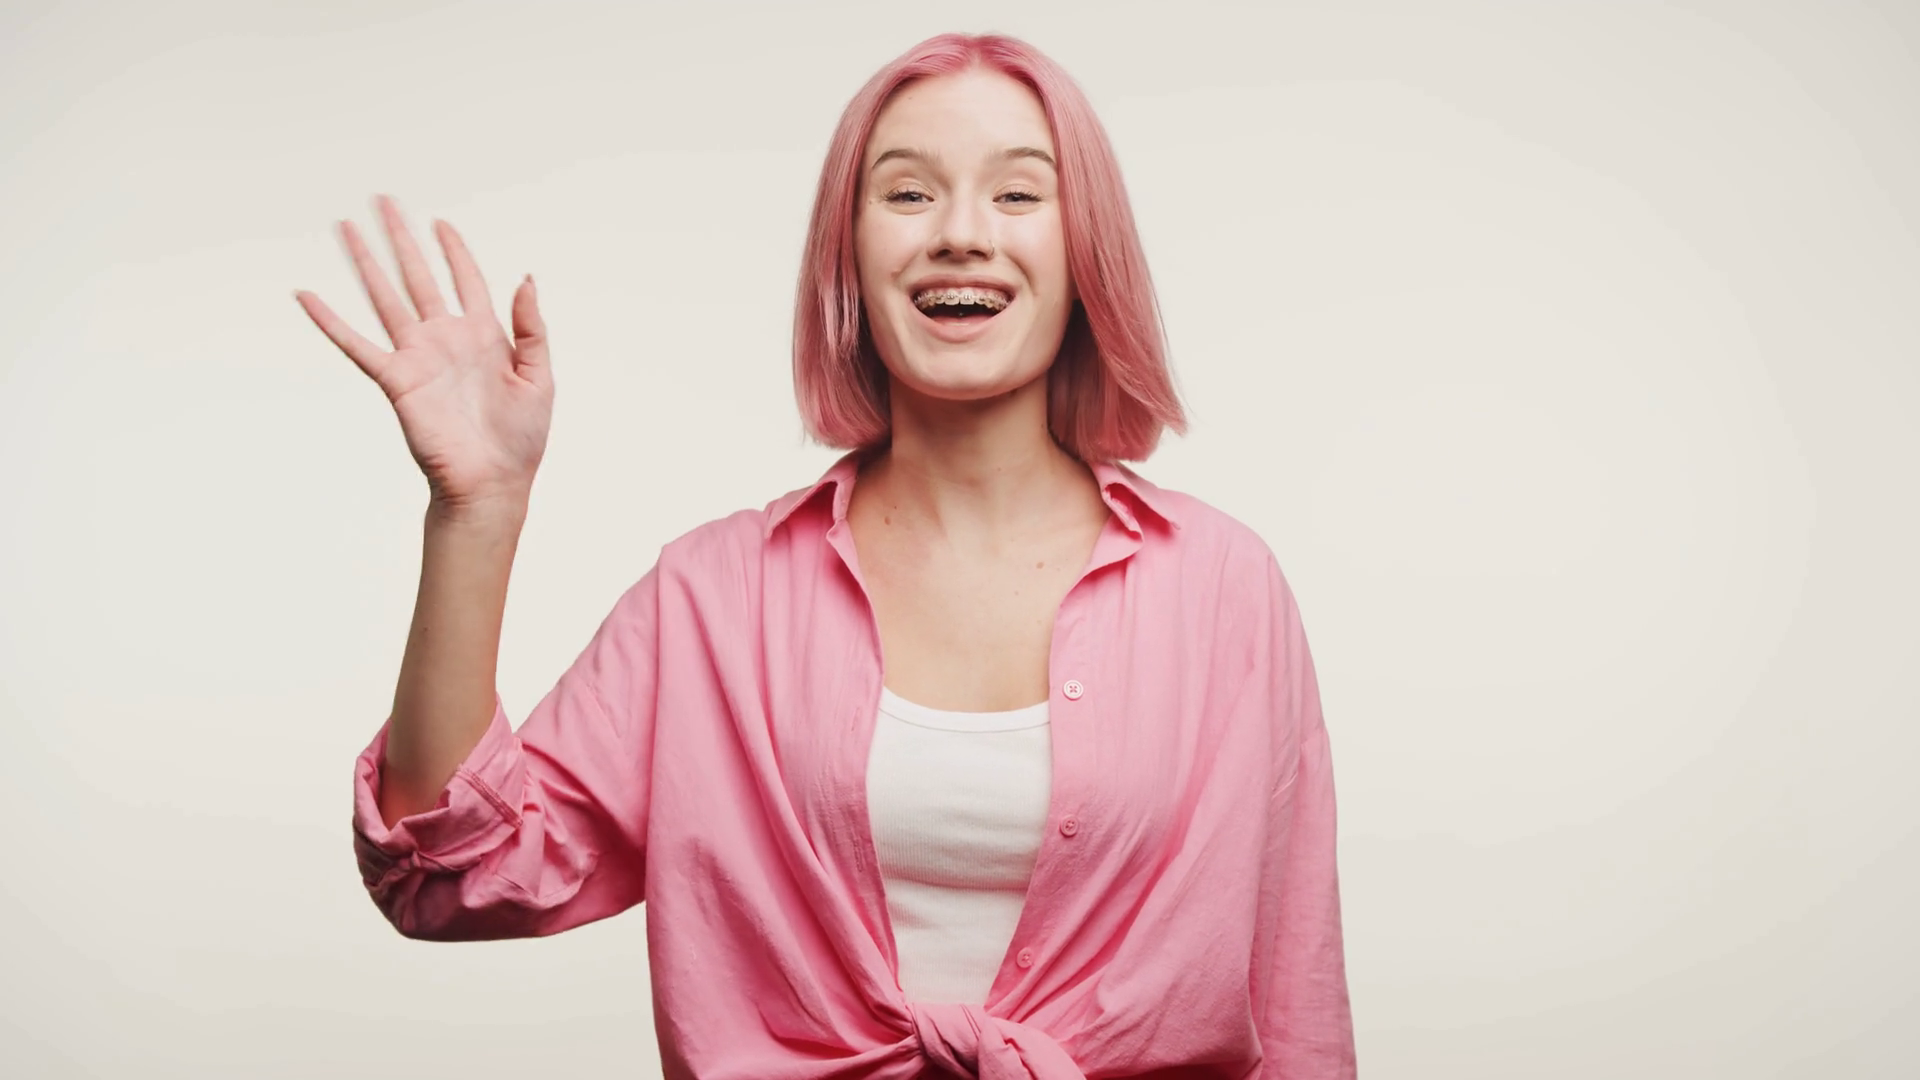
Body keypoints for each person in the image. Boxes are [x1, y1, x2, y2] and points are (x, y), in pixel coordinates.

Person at [295, 31, 1355, 1080]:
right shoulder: (713, 599)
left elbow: (1295, 1007)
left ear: (1089, 254)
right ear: (847, 254)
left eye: (1019, 194)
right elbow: (448, 876)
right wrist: (475, 510)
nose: (960, 234)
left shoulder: (1224, 588)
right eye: (907, 194)